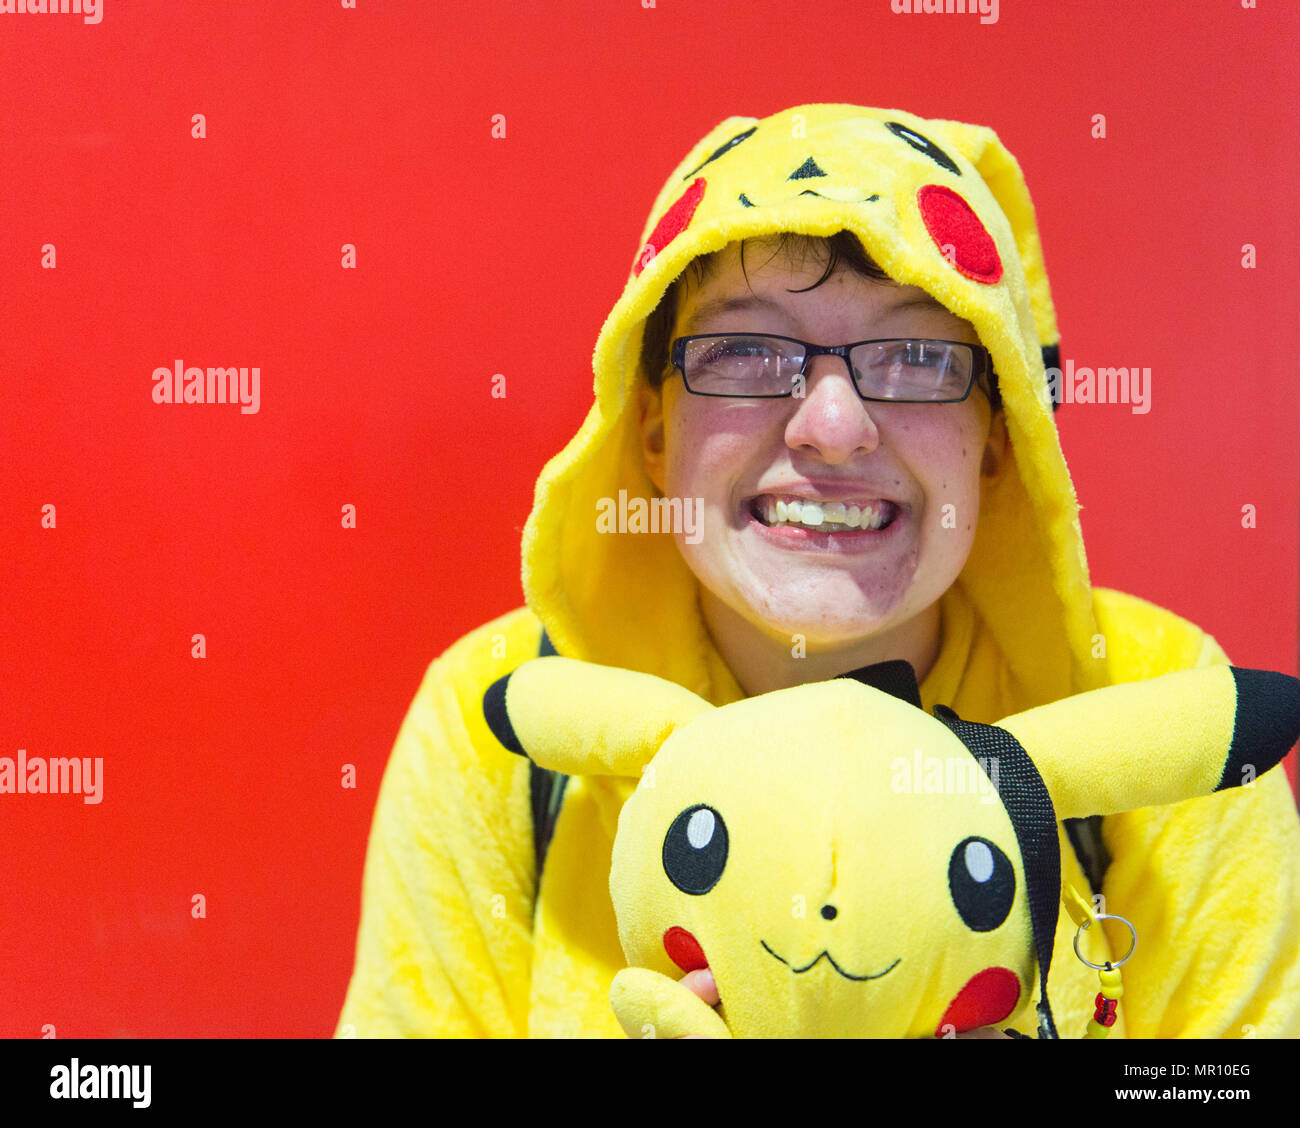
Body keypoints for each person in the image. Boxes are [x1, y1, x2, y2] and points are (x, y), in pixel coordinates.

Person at [334, 104, 1300, 1038]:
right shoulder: (501, 723)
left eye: (918, 354)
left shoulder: (1162, 719)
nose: (833, 427)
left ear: (1000, 439)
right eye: (748, 350)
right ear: (654, 428)